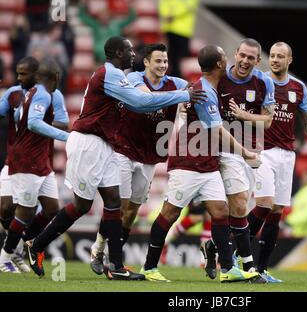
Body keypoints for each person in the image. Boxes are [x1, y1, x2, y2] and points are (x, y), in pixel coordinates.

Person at [26, 36, 207, 280]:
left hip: (107, 146)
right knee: (82, 206)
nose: (133, 54)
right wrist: (182, 96)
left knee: (114, 204)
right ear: (118, 52)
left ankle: (117, 267)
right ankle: (36, 244)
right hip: (89, 142)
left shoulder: (117, 75)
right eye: (130, 51)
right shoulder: (110, 74)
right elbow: (140, 102)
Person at [140, 44, 262, 283]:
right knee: (170, 213)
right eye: (225, 57)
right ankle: (149, 266)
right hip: (188, 162)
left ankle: (227, 269)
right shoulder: (204, 91)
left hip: (207, 162)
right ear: (219, 64)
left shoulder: (207, 87)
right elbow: (216, 131)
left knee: (220, 212)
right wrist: (246, 152)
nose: (228, 61)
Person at [89, 43, 189, 274]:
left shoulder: (177, 84)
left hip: (150, 156)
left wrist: (187, 104)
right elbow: (145, 99)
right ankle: (99, 248)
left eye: (165, 61)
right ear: (146, 62)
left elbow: (195, 93)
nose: (163, 65)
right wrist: (180, 98)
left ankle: (114, 261)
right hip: (123, 150)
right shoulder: (133, 78)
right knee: (119, 206)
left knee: (131, 212)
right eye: (158, 61)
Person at [241, 41, 307, 281]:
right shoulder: (258, 80)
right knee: (265, 203)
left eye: (281, 56)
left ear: (290, 60)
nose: (275, 59)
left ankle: (261, 269)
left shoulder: (298, 88)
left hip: (287, 154)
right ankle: (235, 251)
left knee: (277, 210)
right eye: (273, 55)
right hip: (262, 151)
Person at [201, 38, 275, 278]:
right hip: (227, 149)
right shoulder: (220, 77)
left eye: (250, 58)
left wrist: (244, 115)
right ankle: (247, 267)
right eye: (242, 55)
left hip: (253, 151)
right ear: (236, 54)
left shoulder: (264, 81)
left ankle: (215, 246)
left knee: (241, 210)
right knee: (240, 203)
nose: (244, 61)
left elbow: (268, 120)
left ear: (258, 60)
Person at [0, 56, 69, 273]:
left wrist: (39, 120)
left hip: (40, 159)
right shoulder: (14, 94)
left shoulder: (50, 94)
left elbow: (60, 121)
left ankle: (15, 250)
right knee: (11, 208)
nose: (20, 78)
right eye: (18, 73)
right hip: (21, 158)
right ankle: (8, 255)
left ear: (37, 75)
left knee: (50, 208)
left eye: (24, 74)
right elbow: (25, 121)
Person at [79, 0, 136, 64]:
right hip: (99, 57)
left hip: (115, 58)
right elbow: (83, 17)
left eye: (105, 15)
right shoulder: (96, 25)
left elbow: (130, 18)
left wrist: (130, 7)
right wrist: (82, 5)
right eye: (101, 15)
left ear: (109, 16)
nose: (103, 17)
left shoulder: (117, 24)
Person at [158, 0, 202, 77]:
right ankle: (174, 81)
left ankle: (181, 82)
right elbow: (163, 1)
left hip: (183, 30)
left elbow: (190, 5)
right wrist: (166, 14)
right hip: (170, 28)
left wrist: (170, 15)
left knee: (182, 58)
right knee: (171, 58)